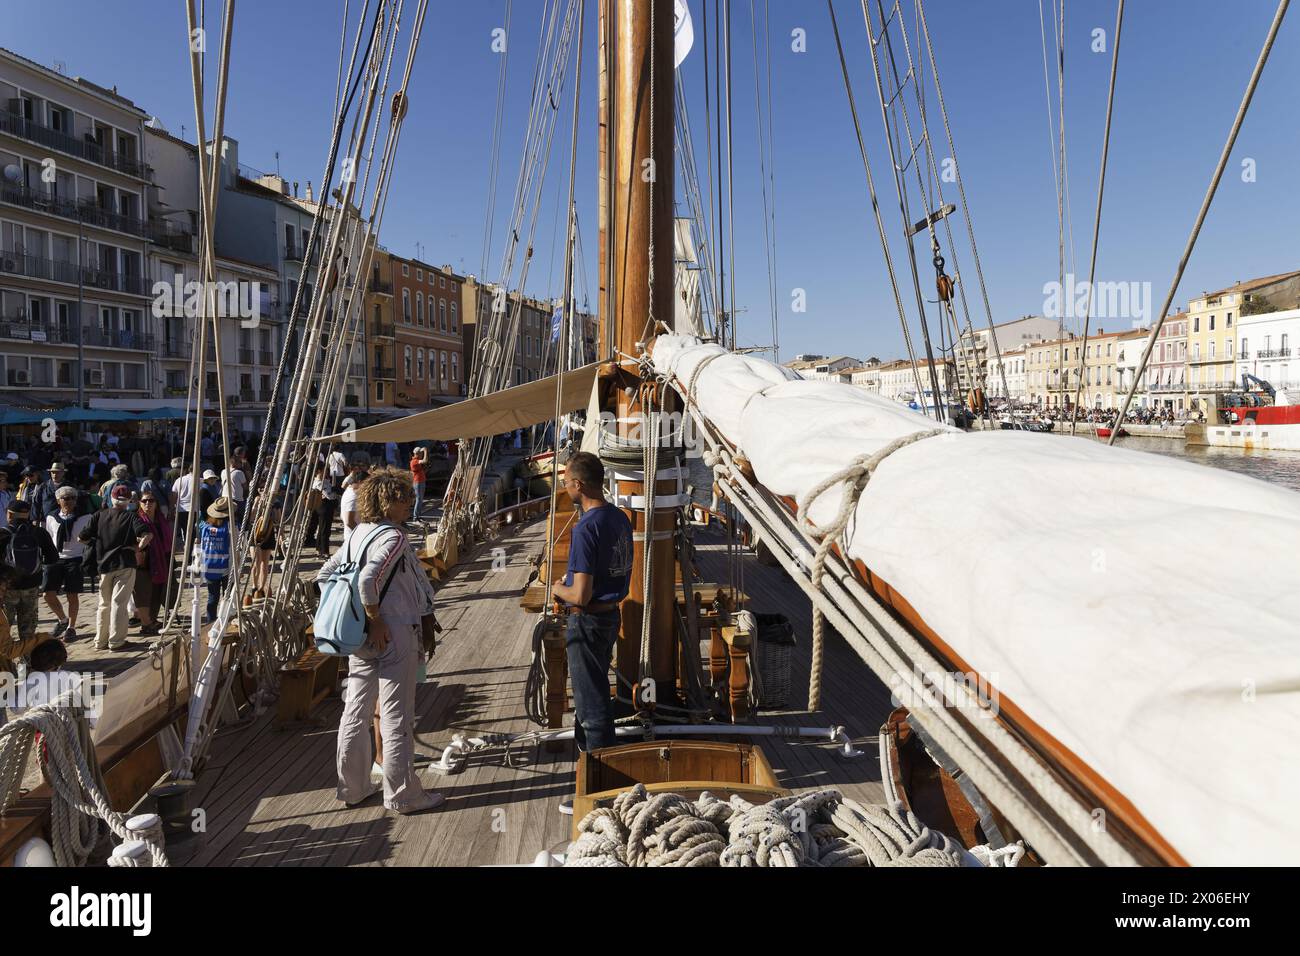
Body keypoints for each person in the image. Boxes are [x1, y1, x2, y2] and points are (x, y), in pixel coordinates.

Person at [318, 468, 442, 814]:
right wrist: (375, 618)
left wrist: (356, 615)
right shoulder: (395, 537)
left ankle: (352, 788)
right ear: (388, 502)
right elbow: (369, 578)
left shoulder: (357, 533)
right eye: (405, 499)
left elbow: (326, 574)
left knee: (355, 712)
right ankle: (403, 795)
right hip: (394, 631)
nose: (410, 504)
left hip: (359, 638)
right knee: (396, 714)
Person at [550, 451, 632, 753]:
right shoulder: (619, 518)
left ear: (579, 484)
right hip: (610, 617)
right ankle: (587, 774)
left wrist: (558, 588)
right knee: (591, 698)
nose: (565, 487)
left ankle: (601, 786)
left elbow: (581, 595)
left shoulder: (586, 528)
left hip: (588, 622)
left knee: (591, 708)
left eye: (566, 482)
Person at [80, 485, 151, 652]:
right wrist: (138, 548)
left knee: (104, 604)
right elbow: (147, 535)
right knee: (119, 602)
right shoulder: (131, 517)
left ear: (111, 498)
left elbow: (81, 537)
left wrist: (96, 544)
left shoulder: (99, 515)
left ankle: (100, 640)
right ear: (129, 500)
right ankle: (116, 641)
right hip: (125, 563)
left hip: (103, 564)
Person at [0, 499, 60, 649]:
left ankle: (5, 662)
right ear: (27, 515)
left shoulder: (3, 534)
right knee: (28, 630)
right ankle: (26, 663)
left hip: (7, 588)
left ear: (9, 514)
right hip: (31, 586)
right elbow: (53, 557)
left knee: (4, 628)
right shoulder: (38, 532)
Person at [42, 487, 91, 643]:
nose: (68, 501)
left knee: (72, 594)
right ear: (58, 501)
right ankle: (62, 619)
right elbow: (48, 538)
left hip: (75, 558)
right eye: (65, 498)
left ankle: (71, 627)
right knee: (47, 593)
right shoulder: (51, 517)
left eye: (71, 498)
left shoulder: (85, 517)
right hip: (56, 558)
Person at [132, 489, 171, 636]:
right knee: (143, 593)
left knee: (157, 592)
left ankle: (152, 620)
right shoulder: (136, 520)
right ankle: (145, 623)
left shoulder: (161, 520)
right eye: (144, 501)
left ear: (156, 504)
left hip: (162, 560)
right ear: (140, 504)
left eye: (151, 500)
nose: (148, 503)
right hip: (144, 562)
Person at [197, 497, 232, 624]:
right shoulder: (229, 528)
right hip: (225, 568)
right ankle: (226, 620)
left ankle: (210, 622)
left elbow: (199, 542)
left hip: (209, 567)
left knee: (212, 598)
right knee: (227, 597)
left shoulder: (204, 527)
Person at [339, 454, 370, 546]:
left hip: (355, 536)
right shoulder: (352, 496)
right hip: (353, 539)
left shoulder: (353, 492)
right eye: (366, 484)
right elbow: (349, 522)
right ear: (360, 482)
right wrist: (361, 535)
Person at [409, 446, 428, 518]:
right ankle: (416, 515)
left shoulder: (416, 461)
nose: (421, 455)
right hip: (418, 482)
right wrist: (425, 451)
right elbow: (425, 460)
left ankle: (418, 515)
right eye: (420, 453)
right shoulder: (414, 461)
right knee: (419, 499)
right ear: (417, 454)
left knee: (420, 499)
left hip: (420, 481)